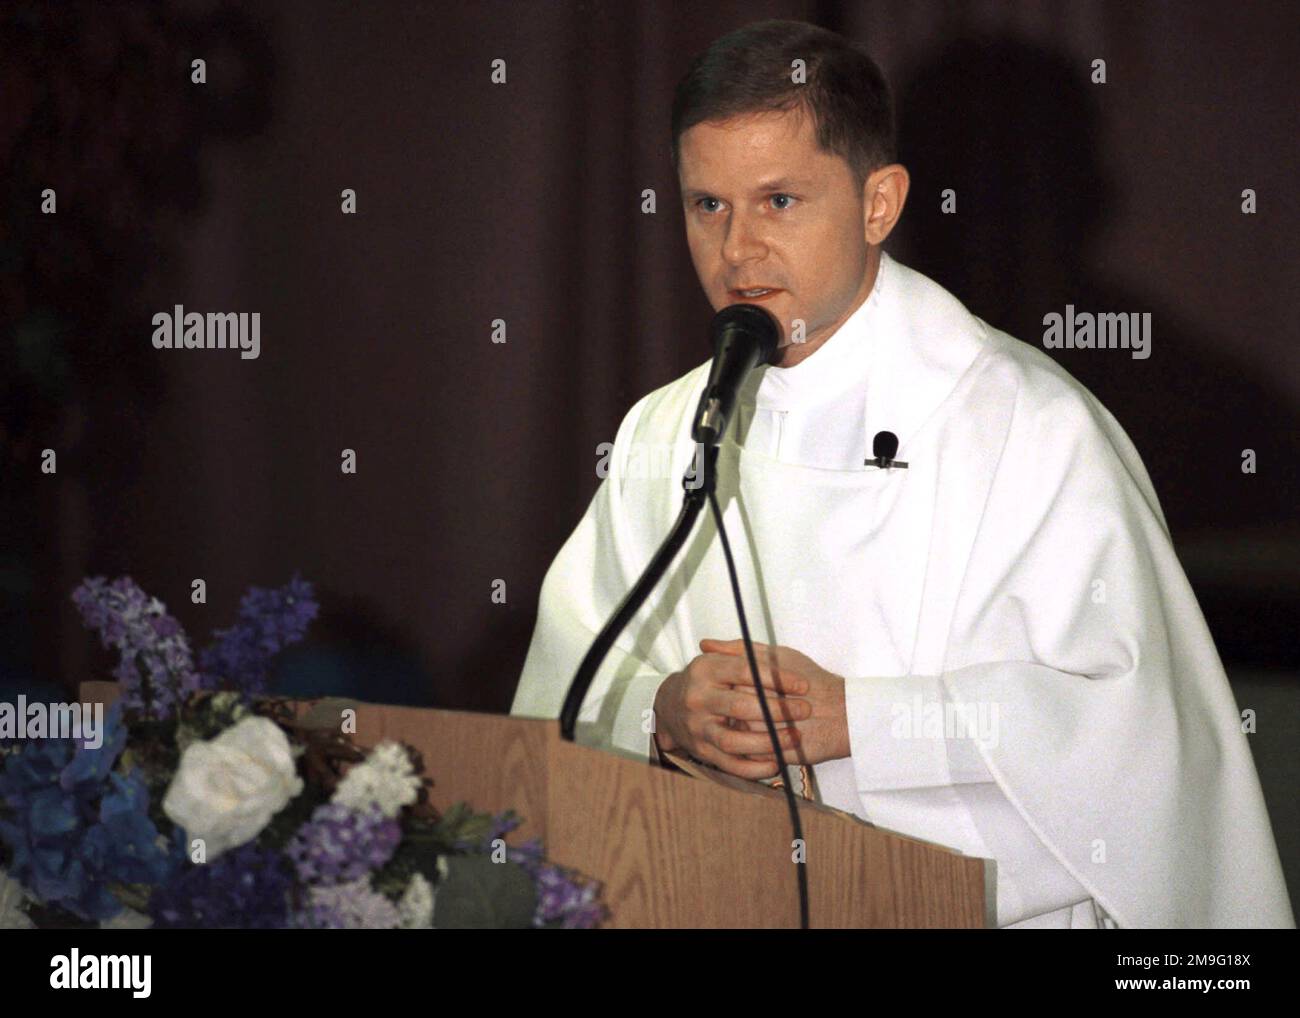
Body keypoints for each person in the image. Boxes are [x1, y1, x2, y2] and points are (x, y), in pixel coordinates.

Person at [510, 19, 1294, 929]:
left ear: (879, 203)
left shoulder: (1028, 426)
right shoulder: (665, 430)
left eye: (780, 201)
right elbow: (556, 702)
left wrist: (861, 722)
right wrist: (662, 711)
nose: (737, 251)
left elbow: (1135, 734)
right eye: (707, 205)